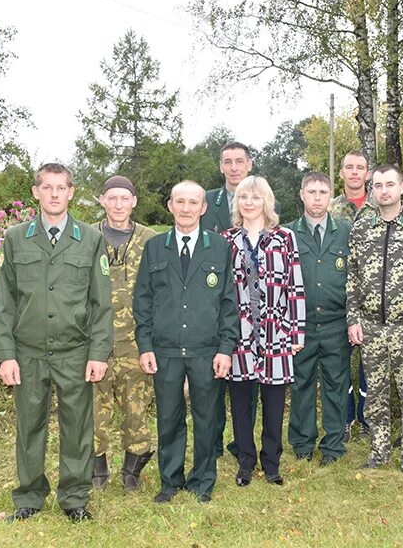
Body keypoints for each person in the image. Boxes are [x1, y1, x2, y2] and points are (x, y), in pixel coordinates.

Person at [0, 163, 113, 522]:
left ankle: (75, 498)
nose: (55, 194)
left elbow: (100, 302)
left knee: (77, 427)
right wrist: (5, 355)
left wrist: (98, 352)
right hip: (27, 352)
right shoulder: (16, 237)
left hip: (74, 351)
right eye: (48, 187)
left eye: (61, 187)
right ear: (37, 192)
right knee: (29, 425)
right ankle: (28, 495)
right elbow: (4, 302)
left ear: (71, 192)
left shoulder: (90, 239)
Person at [133, 180, 237, 504]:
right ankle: (170, 480)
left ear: (203, 208)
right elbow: (143, 300)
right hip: (164, 350)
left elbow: (229, 303)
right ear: (170, 206)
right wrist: (145, 344)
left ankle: (203, 481)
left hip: (206, 350)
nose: (187, 208)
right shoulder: (155, 247)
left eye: (194, 202)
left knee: (207, 419)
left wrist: (225, 349)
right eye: (180, 201)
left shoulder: (220, 248)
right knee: (168, 417)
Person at [346, 164, 403, 480]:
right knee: (376, 396)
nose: (383, 190)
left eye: (389, 184)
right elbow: (353, 276)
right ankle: (379, 452)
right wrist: (353, 319)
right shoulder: (361, 228)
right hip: (370, 327)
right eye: (378, 185)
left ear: (402, 187)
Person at [223, 176, 305, 487]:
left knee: (273, 404)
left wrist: (296, 332)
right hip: (240, 333)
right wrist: (225, 336)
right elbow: (223, 294)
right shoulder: (227, 240)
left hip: (277, 331)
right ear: (237, 202)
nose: (249, 202)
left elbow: (295, 286)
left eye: (255, 197)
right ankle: (245, 462)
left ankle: (271, 464)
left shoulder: (284, 238)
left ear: (266, 202)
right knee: (241, 404)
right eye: (243, 197)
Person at [201, 141, 278, 458]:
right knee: (217, 386)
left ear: (249, 165)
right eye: (227, 162)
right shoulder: (206, 201)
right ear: (220, 166)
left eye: (239, 161)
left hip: (259, 319)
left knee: (247, 384)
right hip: (218, 306)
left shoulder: (263, 202)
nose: (233, 167)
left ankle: (242, 444)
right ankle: (215, 442)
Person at [91, 175, 158, 492]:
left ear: (134, 201)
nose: (118, 204)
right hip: (96, 342)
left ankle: (133, 470)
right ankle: (97, 469)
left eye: (124, 198)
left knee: (136, 409)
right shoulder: (86, 238)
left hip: (136, 342)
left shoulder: (152, 239)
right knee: (93, 410)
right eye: (112, 198)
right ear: (102, 200)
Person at [287, 172, 351, 465]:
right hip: (300, 325)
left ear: (330, 195)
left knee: (336, 385)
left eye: (322, 192)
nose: (316, 198)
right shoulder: (287, 234)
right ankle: (302, 443)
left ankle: (334, 445)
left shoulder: (346, 232)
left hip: (337, 322)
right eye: (311, 192)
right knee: (301, 383)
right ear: (301, 194)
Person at [328, 151, 377, 442]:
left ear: (368, 173)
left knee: (371, 365)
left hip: (372, 298)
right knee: (339, 365)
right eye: (350, 167)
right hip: (337, 296)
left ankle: (368, 419)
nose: (355, 172)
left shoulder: (380, 205)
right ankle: (345, 419)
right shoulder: (330, 208)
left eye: (360, 168)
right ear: (342, 172)